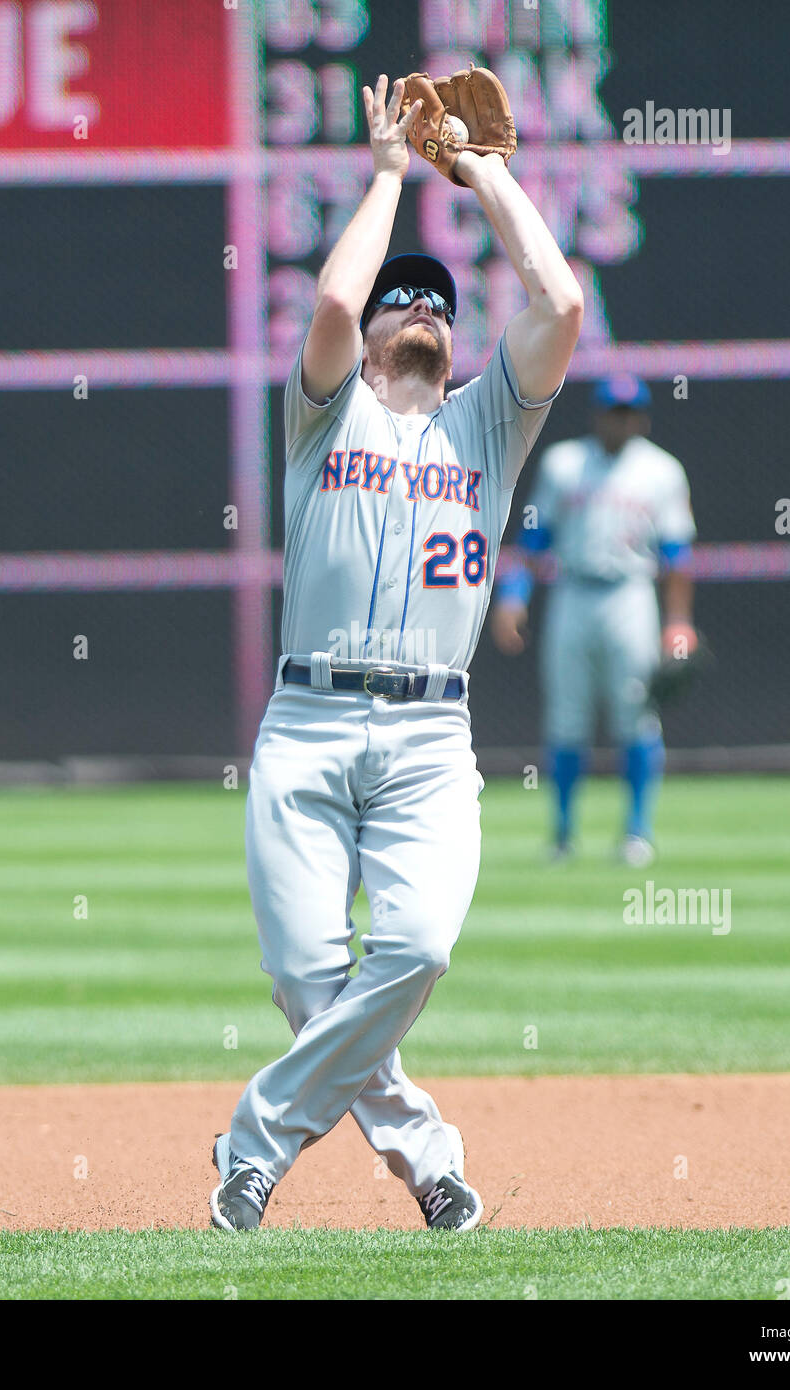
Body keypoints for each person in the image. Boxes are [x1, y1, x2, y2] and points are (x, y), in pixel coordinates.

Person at [210, 75, 583, 1232]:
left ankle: (254, 1140)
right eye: (399, 305)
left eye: (435, 306)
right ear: (370, 339)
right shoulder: (327, 416)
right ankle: (428, 1163)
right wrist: (383, 177)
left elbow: (558, 300)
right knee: (308, 974)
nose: (418, 312)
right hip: (309, 723)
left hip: (428, 732)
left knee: (416, 943)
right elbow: (327, 298)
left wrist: (481, 174)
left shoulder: (487, 422)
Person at [491, 375, 698, 867]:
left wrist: (678, 623)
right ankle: (562, 834)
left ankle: (637, 832)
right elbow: (534, 538)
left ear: (642, 418)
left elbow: (676, 554)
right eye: (612, 411)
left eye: (629, 412)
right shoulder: (565, 464)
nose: (620, 420)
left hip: (631, 596)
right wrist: (513, 597)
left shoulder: (662, 471)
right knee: (566, 719)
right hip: (573, 592)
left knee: (637, 717)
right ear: (597, 415)